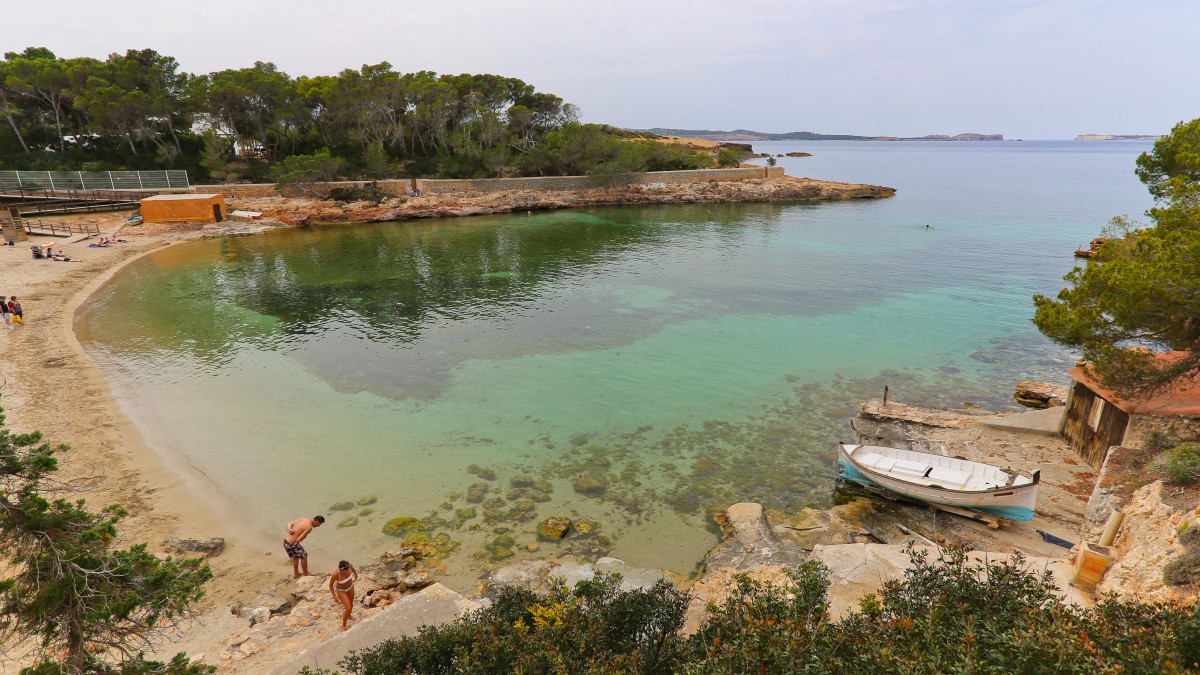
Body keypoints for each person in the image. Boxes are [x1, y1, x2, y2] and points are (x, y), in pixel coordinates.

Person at [328, 560, 357, 631]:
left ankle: (349, 615)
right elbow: (331, 585)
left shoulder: (349, 567)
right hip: (341, 591)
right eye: (341, 570)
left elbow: (353, 570)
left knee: (351, 603)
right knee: (348, 607)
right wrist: (334, 596)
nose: (343, 572)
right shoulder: (335, 574)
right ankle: (344, 625)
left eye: (344, 571)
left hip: (350, 587)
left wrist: (355, 574)